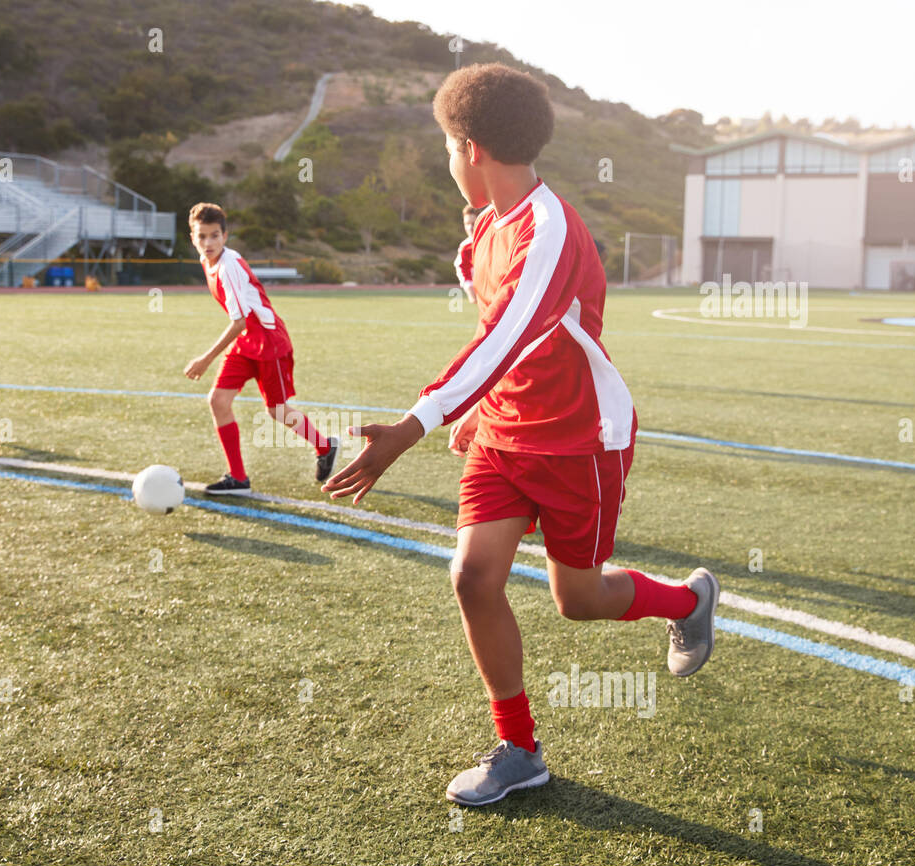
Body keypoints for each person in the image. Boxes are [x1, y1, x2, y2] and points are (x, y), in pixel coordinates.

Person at [321, 65, 719, 806]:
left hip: (580, 442)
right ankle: (519, 749)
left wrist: (411, 426)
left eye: (445, 146)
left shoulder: (551, 230)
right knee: (473, 577)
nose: (446, 161)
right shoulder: (483, 236)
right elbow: (499, 336)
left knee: (579, 599)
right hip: (505, 438)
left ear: (469, 146)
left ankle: (687, 603)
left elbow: (507, 333)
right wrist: (475, 412)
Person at [184, 202, 338, 494]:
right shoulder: (208, 262)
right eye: (201, 236)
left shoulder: (229, 266)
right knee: (218, 401)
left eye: (214, 235)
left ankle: (324, 446)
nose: (208, 242)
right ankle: (238, 479)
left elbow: (240, 322)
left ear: (225, 236)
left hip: (269, 344)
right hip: (245, 344)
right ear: (193, 238)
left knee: (277, 411)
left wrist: (205, 359)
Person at [455, 203, 484, 303]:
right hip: (483, 298)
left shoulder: (494, 239)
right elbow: (462, 268)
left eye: (473, 223)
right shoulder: (465, 247)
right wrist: (469, 289)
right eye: (467, 224)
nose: (470, 228)